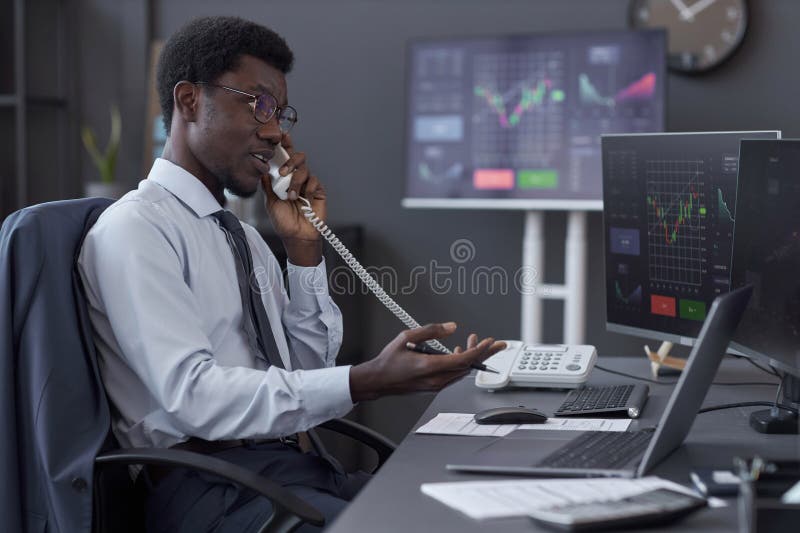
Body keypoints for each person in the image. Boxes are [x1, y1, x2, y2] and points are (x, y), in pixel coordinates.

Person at [78, 15, 505, 533]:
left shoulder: (243, 236)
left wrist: (303, 251)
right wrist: (364, 381)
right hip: (206, 489)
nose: (275, 130)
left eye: (280, 112)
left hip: (287, 469)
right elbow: (194, 398)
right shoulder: (136, 229)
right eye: (256, 103)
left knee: (459, 507)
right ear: (189, 101)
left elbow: (300, 369)